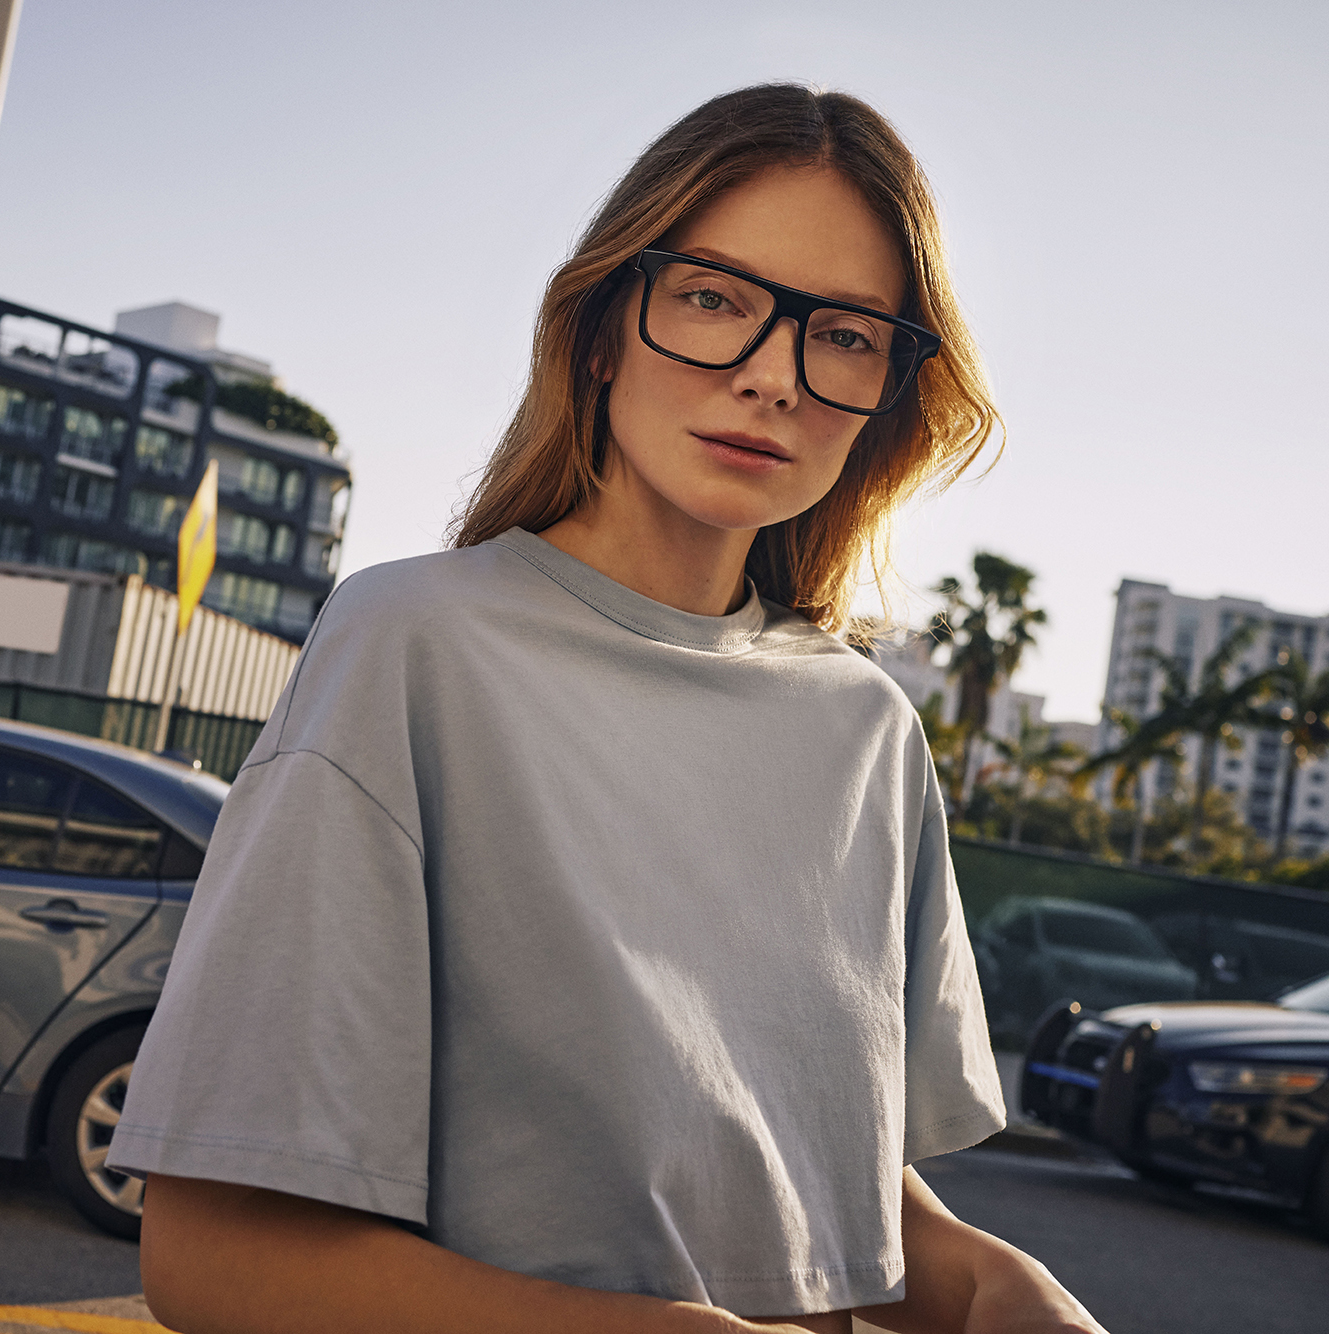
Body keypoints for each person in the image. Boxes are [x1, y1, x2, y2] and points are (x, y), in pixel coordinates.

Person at [107, 85, 1108, 1334]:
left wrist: (990, 1285)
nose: (771, 377)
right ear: (599, 328)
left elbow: (818, 1197)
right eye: (711, 299)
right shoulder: (411, 646)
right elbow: (214, 1256)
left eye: (844, 333)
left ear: (889, 392)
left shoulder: (868, 732)